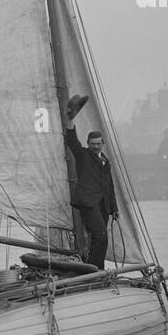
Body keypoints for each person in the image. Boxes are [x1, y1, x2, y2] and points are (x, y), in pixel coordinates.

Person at [63, 94, 117, 270]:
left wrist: (114, 208)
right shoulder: (83, 156)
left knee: (102, 238)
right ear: (88, 143)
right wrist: (70, 121)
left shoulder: (105, 161)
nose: (95, 146)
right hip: (88, 202)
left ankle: (98, 269)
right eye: (92, 144)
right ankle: (91, 270)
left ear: (103, 144)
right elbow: (72, 142)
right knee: (100, 234)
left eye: (98, 144)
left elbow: (110, 186)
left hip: (103, 204)